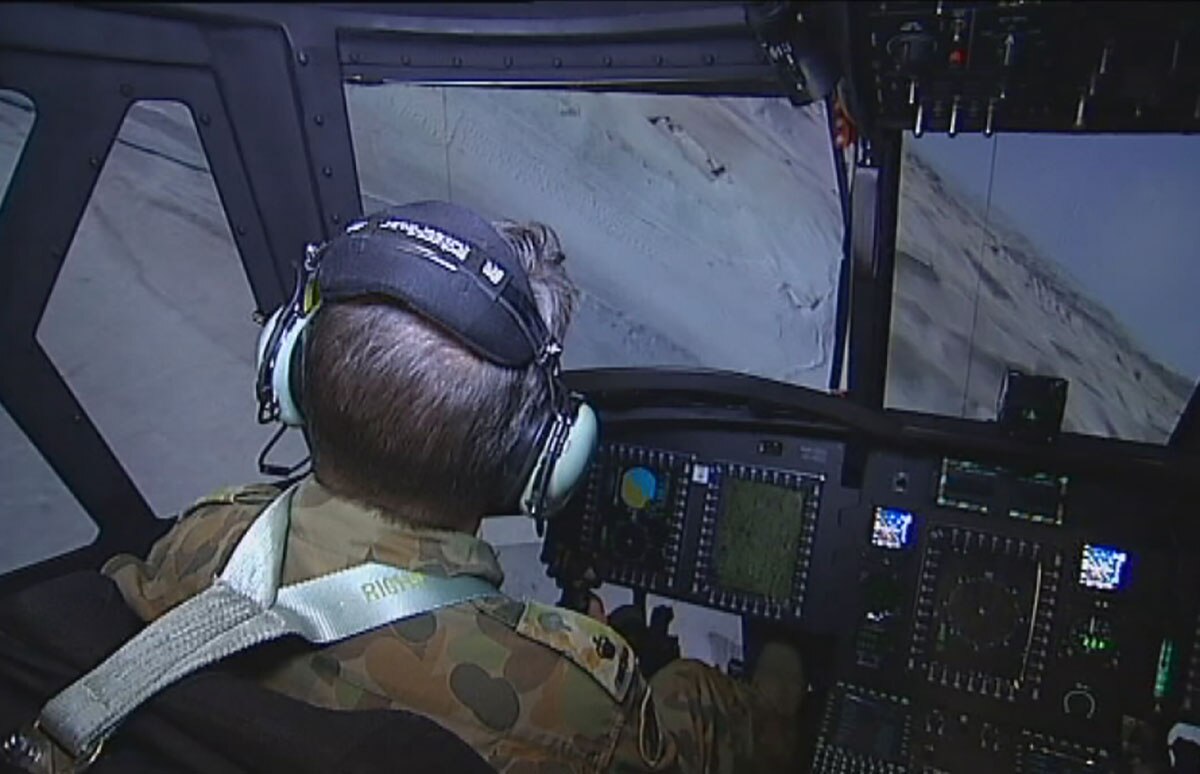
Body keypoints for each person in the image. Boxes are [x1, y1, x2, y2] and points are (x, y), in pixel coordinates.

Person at [101, 201, 805, 773]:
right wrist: (779, 668)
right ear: (538, 461)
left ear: (290, 372)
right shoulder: (566, 702)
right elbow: (719, 745)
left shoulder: (204, 539)